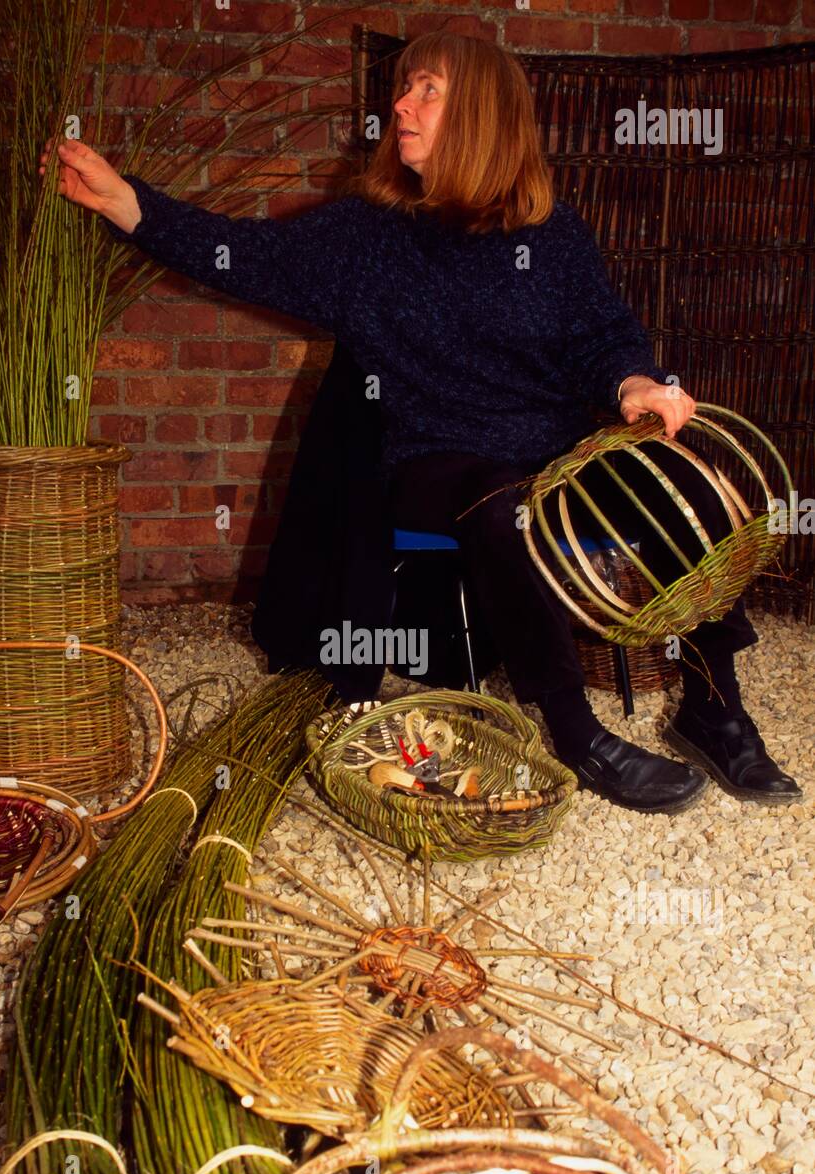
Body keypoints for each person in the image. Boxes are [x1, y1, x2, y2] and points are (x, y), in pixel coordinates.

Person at [39, 31, 801, 813]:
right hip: (435, 464)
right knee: (508, 510)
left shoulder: (553, 234)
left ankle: (717, 708)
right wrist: (126, 203)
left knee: (689, 485)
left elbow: (603, 336)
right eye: (405, 89)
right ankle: (577, 735)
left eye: (427, 89)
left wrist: (636, 381)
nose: (400, 104)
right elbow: (241, 252)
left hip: (555, 452)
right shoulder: (367, 237)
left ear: (481, 113)